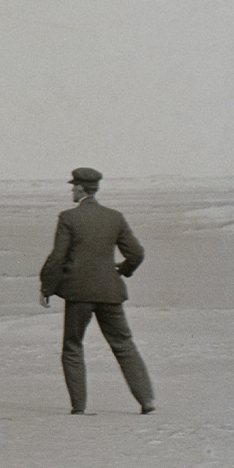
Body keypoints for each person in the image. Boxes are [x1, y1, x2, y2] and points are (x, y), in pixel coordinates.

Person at [39, 168, 156, 415]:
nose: (72, 190)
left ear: (81, 188)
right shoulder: (114, 217)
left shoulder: (68, 218)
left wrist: (47, 287)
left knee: (72, 346)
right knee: (124, 344)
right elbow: (136, 253)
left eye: (73, 186)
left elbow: (57, 258)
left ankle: (79, 408)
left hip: (78, 293)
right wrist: (122, 270)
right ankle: (147, 401)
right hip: (110, 292)